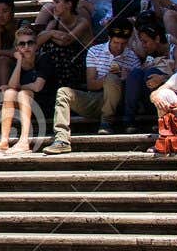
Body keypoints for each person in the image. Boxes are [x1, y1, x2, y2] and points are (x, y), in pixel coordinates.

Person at [42, 21, 138, 154]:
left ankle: (106, 122)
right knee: (63, 92)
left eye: (123, 44)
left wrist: (125, 76)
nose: (119, 47)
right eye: (116, 43)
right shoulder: (95, 51)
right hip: (96, 98)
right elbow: (91, 84)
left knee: (114, 80)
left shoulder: (132, 57)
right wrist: (109, 77)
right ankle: (61, 139)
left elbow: (134, 91)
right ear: (109, 39)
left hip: (118, 102)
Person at [0, 31, 46, 156]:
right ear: (17, 48)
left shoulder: (43, 60)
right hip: (25, 107)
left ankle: (24, 141)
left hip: (44, 104)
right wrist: (19, 61)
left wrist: (19, 87)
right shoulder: (17, 64)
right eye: (22, 44)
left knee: (23, 93)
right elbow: (12, 86)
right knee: (9, 93)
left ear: (36, 46)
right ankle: (4, 141)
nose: (26, 47)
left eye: (30, 43)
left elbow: (37, 87)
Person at [121, 20, 174, 132]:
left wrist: (162, 79)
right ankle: (129, 120)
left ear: (157, 39)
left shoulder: (176, 50)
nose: (143, 45)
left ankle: (162, 120)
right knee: (135, 73)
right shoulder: (149, 55)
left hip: (169, 97)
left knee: (151, 73)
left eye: (145, 42)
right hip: (148, 98)